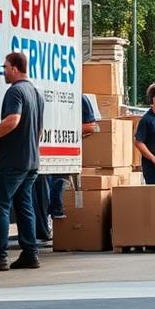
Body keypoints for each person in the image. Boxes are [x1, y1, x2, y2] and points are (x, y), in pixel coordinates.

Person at [0, 51, 45, 271]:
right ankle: (30, 254)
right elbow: (39, 129)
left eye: (5, 67)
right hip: (31, 160)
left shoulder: (15, 91)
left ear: (14, 68)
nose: (3, 72)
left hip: (13, 160)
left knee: (1, 205)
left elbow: (13, 120)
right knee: (24, 206)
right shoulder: (36, 92)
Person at [35, 93, 99, 241]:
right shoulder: (42, 95)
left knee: (57, 185)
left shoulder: (79, 97)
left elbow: (91, 126)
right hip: (43, 152)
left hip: (64, 153)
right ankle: (43, 228)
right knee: (40, 188)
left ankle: (54, 219)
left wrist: (65, 131)